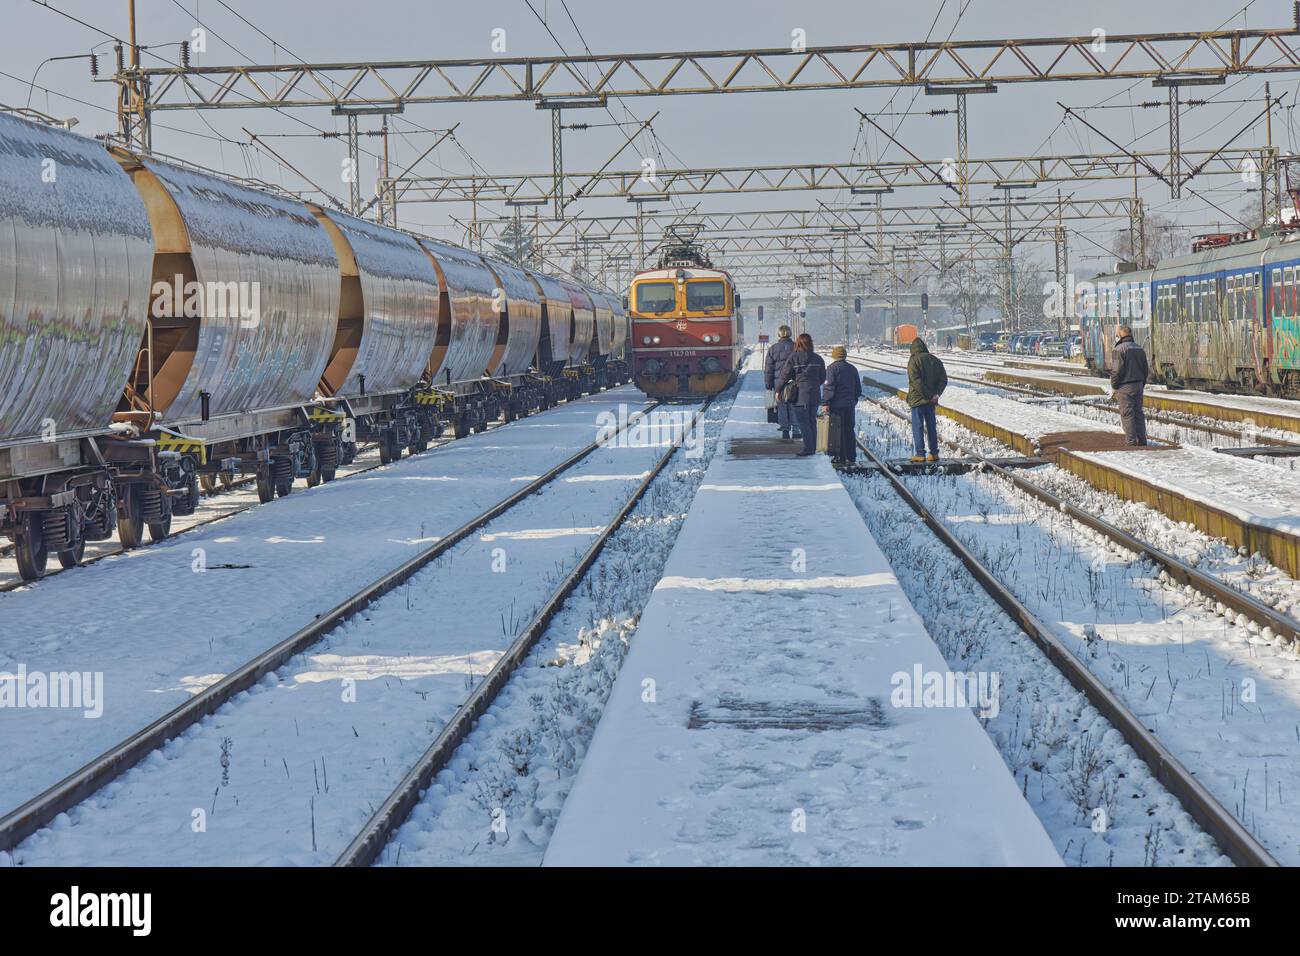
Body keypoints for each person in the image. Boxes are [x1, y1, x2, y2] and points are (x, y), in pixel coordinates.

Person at [776, 332, 826, 457]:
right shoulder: (818, 358)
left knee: (803, 423)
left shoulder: (794, 358)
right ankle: (813, 447)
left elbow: (784, 376)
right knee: (812, 422)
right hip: (814, 395)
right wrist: (813, 385)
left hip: (799, 395)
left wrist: (778, 390)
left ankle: (808, 449)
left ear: (798, 343)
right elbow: (822, 378)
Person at [906, 338, 947, 463]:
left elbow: (916, 382)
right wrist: (936, 394)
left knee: (917, 427)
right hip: (931, 401)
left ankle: (920, 454)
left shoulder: (913, 361)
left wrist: (929, 395)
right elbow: (943, 379)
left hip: (918, 401)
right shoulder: (935, 360)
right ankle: (934, 453)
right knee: (931, 427)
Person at [821, 345, 863, 464]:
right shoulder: (852, 368)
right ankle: (851, 456)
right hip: (849, 405)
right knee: (849, 430)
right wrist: (853, 400)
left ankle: (840, 457)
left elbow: (829, 388)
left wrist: (825, 402)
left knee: (837, 431)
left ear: (834, 356)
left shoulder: (832, 369)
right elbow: (858, 389)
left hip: (836, 406)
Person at [1110, 324, 1149, 446]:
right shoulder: (1139, 349)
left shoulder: (1118, 350)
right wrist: (1142, 383)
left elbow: (1116, 370)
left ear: (1120, 335)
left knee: (1127, 414)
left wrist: (1115, 385)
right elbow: (1145, 369)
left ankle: (1131, 442)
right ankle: (1142, 441)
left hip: (1125, 386)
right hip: (1138, 385)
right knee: (1138, 413)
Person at [764, 324, 799, 440]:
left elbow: (769, 369)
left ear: (778, 334)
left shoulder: (773, 349)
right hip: (794, 382)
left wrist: (768, 385)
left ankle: (785, 430)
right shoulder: (796, 347)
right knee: (794, 404)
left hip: (778, 382)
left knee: (781, 405)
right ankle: (796, 430)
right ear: (790, 333)